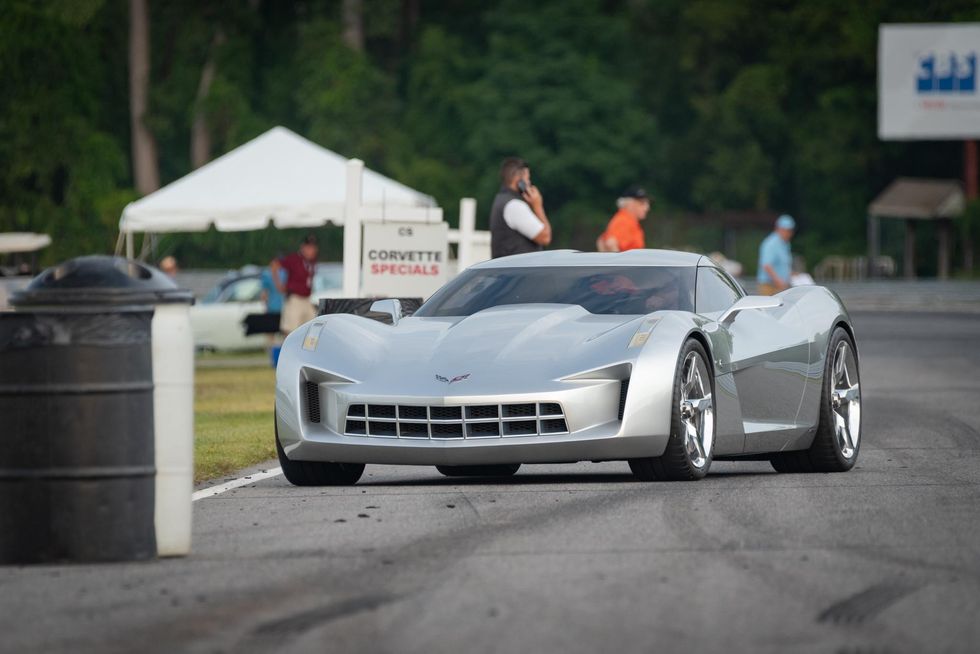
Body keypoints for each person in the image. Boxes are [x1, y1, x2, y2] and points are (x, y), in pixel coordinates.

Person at [489, 157, 552, 258]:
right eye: (528, 179)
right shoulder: (514, 205)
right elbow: (545, 237)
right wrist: (538, 206)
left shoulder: (501, 200)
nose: (529, 183)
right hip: (517, 272)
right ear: (520, 181)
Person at [271, 234, 318, 335]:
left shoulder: (311, 262)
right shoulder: (295, 259)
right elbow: (275, 264)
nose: (311, 251)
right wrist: (278, 285)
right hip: (295, 298)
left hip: (307, 299)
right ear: (303, 248)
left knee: (313, 328)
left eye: (313, 248)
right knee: (292, 330)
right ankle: (288, 349)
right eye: (309, 248)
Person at [596, 186, 651, 252]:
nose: (647, 208)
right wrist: (618, 261)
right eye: (642, 203)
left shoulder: (629, 221)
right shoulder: (623, 221)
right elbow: (611, 243)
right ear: (630, 204)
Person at [757, 214, 796, 296]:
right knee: (768, 308)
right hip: (769, 286)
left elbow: (783, 264)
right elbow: (767, 265)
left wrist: (791, 274)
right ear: (778, 229)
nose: (789, 233)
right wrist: (778, 281)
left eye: (790, 231)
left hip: (780, 286)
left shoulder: (786, 244)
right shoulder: (771, 243)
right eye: (786, 230)